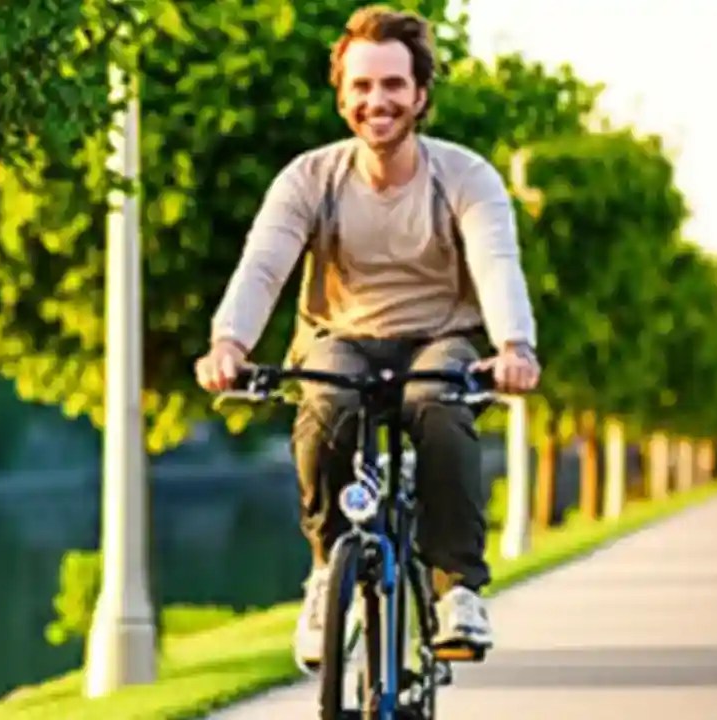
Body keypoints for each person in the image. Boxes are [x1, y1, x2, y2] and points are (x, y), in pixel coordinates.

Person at [193, 4, 541, 669]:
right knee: (324, 408)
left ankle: (458, 589)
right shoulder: (309, 179)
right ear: (342, 96)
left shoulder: (466, 177)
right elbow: (264, 263)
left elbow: (497, 264)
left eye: (391, 85)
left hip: (440, 338)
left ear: (420, 95)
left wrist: (515, 347)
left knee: (439, 408)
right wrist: (229, 343)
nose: (375, 101)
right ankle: (327, 575)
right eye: (361, 86)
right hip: (339, 336)